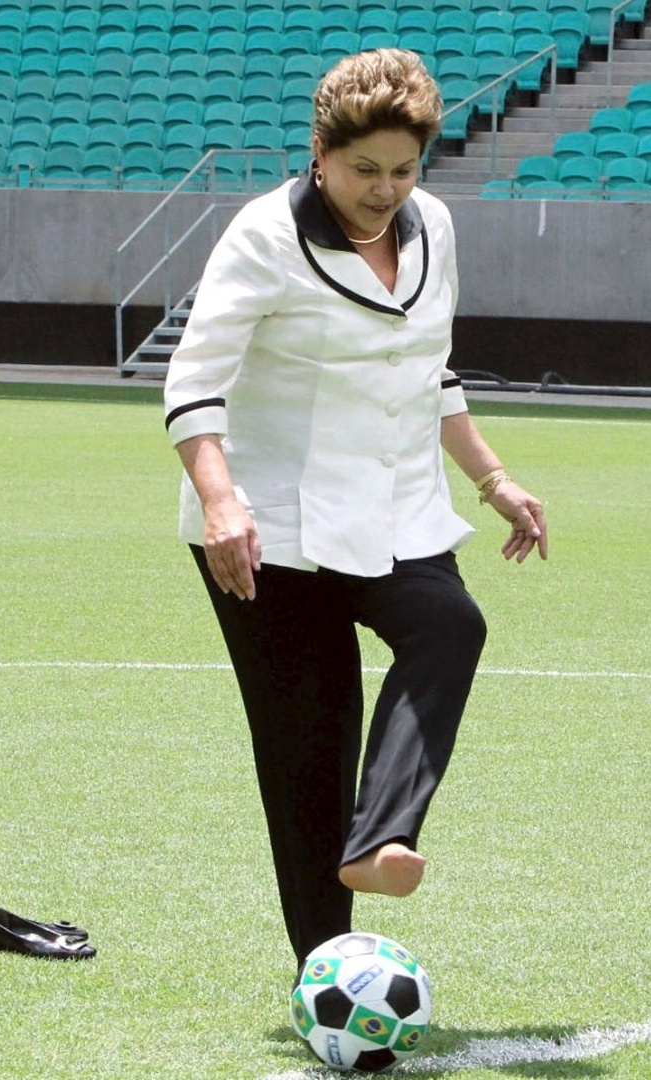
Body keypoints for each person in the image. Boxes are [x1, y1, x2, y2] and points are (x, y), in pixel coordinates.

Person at [162, 49, 548, 971]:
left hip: (397, 507)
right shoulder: (261, 237)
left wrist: (494, 479)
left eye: (404, 170)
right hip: (271, 529)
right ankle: (328, 975)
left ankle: (380, 842)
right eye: (365, 170)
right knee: (308, 753)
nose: (385, 192)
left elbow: (430, 371)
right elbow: (193, 380)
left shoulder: (434, 228)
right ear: (320, 154)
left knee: (451, 624)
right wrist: (221, 502)